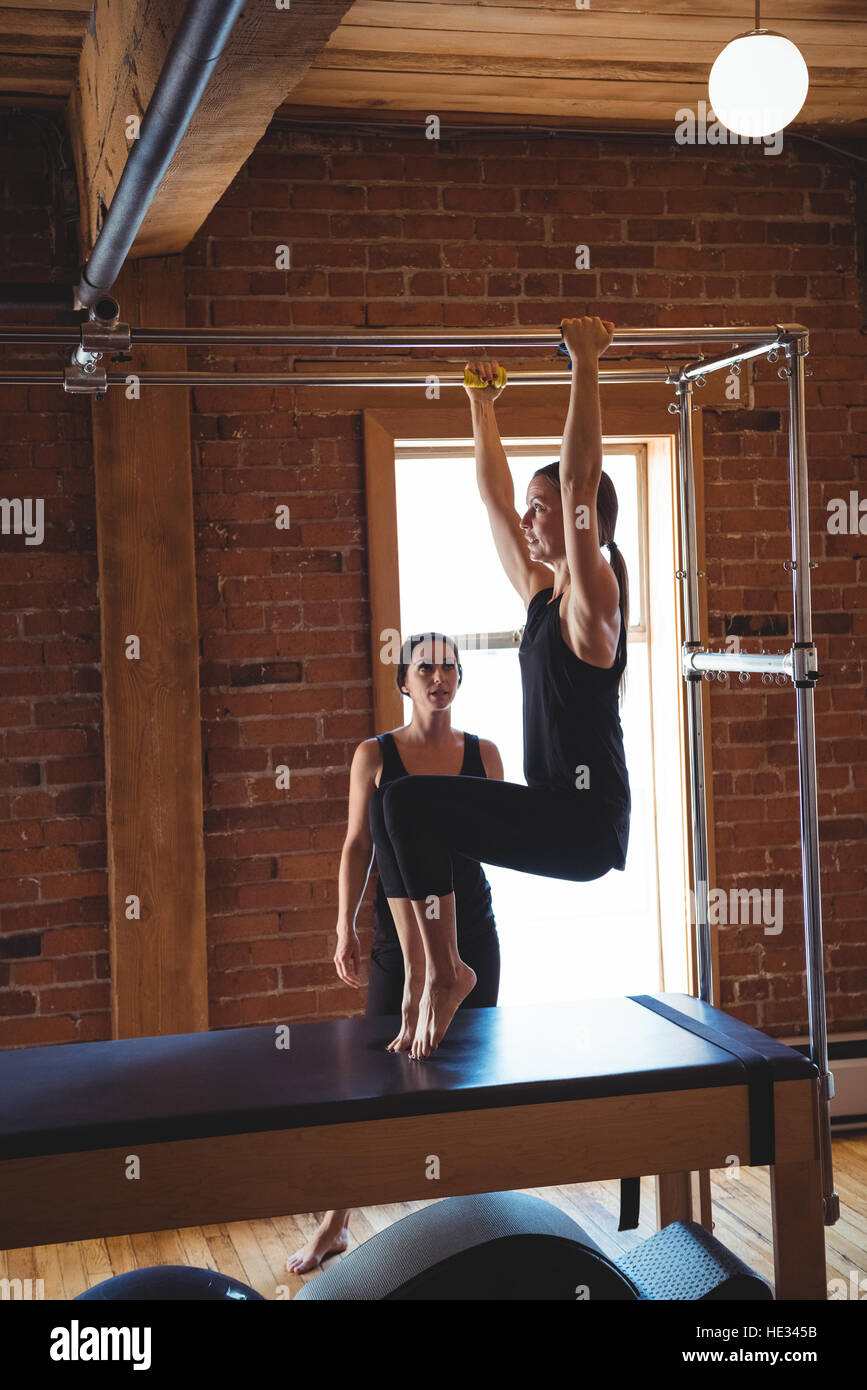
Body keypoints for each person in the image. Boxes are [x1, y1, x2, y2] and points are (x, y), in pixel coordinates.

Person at [374, 315, 632, 1060]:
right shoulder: (539, 599)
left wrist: (585, 360)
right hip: (551, 811)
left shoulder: (593, 603)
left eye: (540, 508)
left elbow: (578, 479)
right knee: (403, 808)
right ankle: (434, 970)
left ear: (582, 523)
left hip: (583, 823)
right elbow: (491, 500)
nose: (526, 517)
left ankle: (448, 969)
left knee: (410, 805)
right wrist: (480, 404)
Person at [286, 631, 503, 1274]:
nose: (439, 677)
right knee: (375, 1080)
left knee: (469, 1078)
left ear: (460, 680)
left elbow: (496, 843)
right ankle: (335, 1224)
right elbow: (357, 845)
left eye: (449, 668)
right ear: (404, 682)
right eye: (425, 667)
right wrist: (342, 926)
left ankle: (481, 1223)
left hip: (470, 935)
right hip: (395, 942)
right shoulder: (374, 755)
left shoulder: (484, 754)